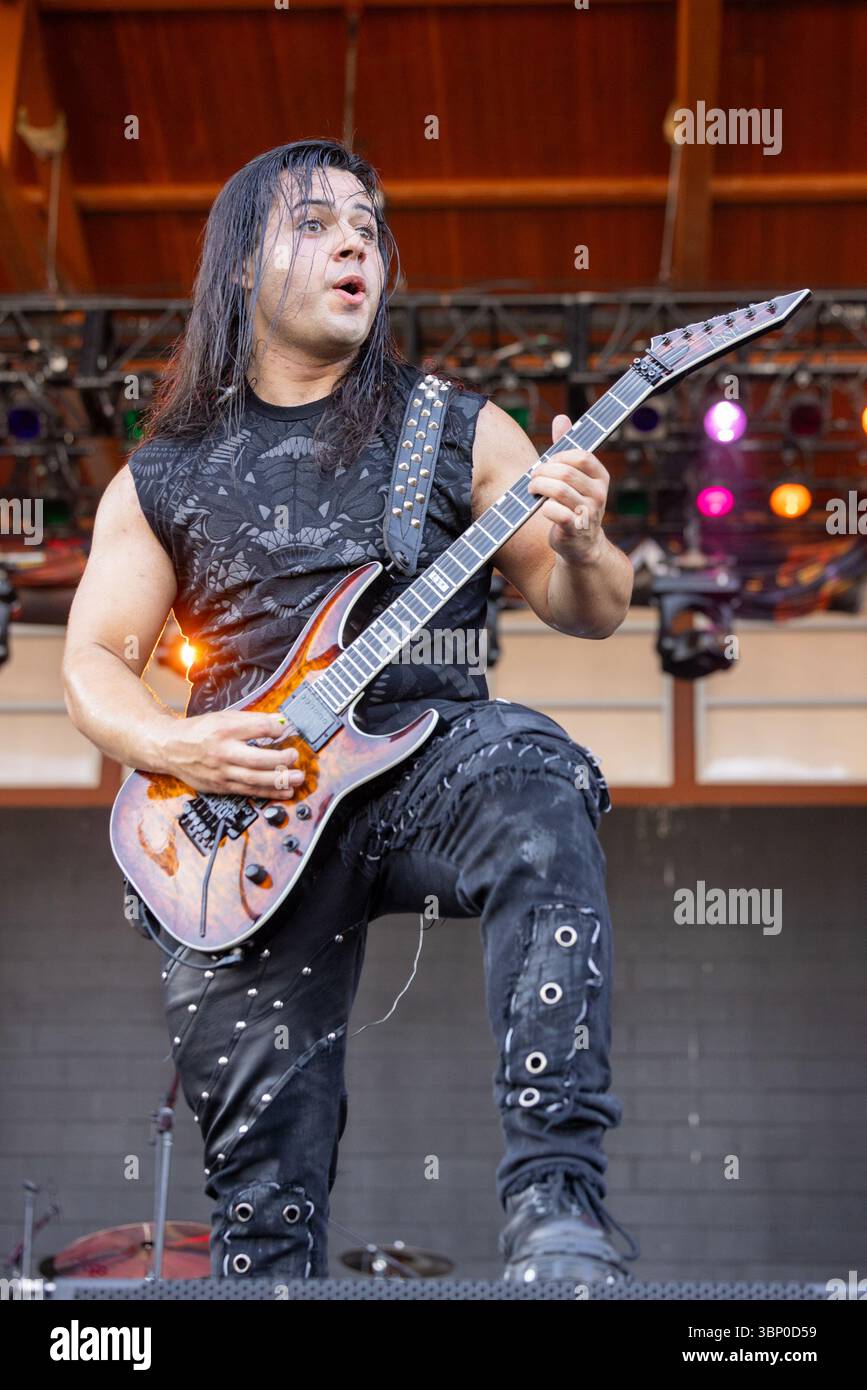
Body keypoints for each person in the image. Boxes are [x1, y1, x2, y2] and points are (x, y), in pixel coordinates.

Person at [63, 138, 640, 1284]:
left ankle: (555, 1202)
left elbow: (592, 608)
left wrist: (582, 537)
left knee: (535, 773)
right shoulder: (164, 470)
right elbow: (92, 663)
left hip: (426, 762)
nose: (353, 244)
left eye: (368, 229)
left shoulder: (459, 427)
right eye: (318, 222)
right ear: (240, 263)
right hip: (246, 799)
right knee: (261, 1211)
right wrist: (178, 743)